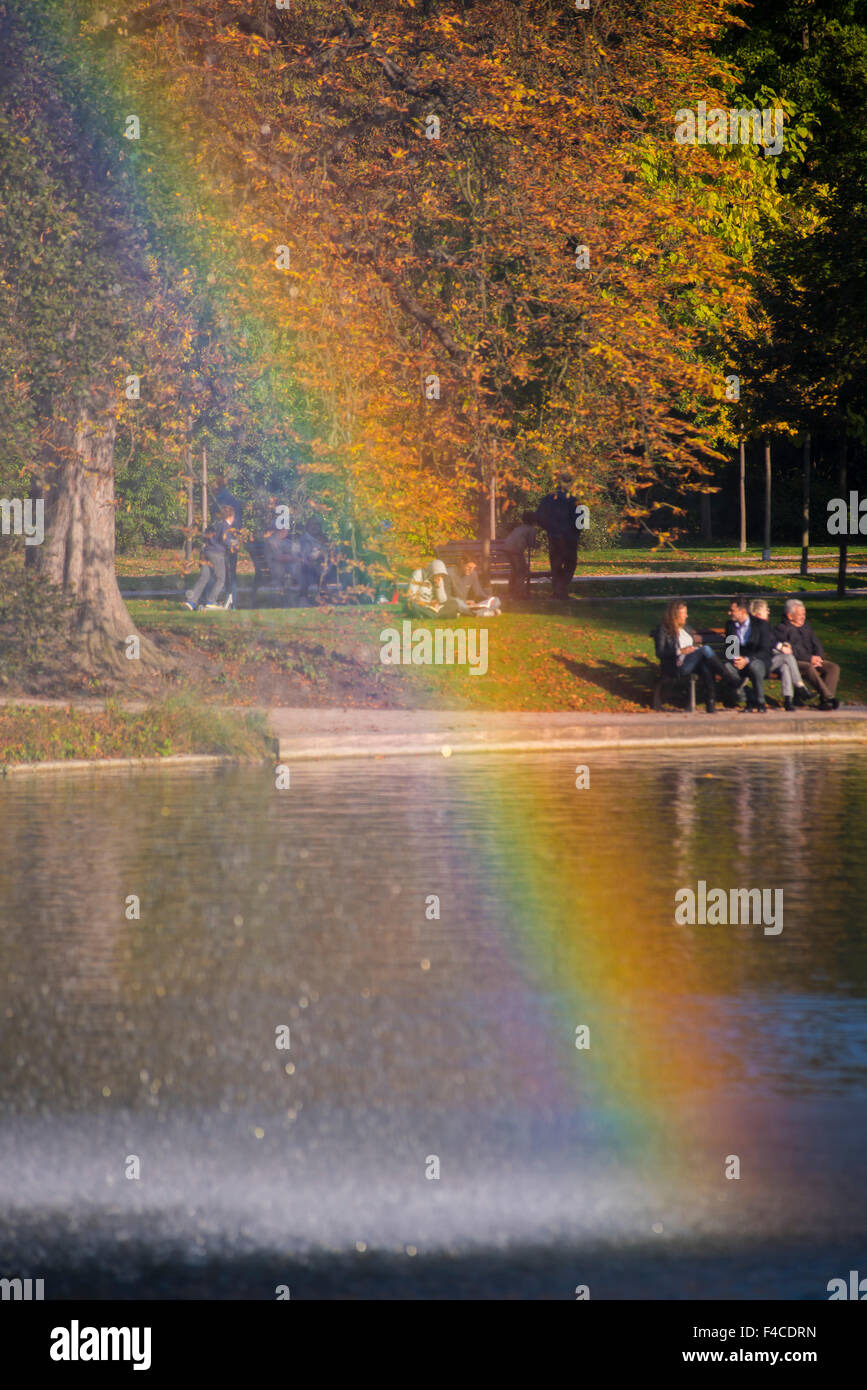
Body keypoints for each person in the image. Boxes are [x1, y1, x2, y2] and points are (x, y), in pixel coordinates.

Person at [653, 599, 728, 713]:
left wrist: (693, 650)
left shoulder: (686, 629)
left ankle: (710, 704)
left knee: (706, 667)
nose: (687, 616)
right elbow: (660, 652)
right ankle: (726, 675)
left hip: (691, 663)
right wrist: (680, 651)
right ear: (675, 614)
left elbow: (692, 647)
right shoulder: (663, 629)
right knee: (706, 649)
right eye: (684, 613)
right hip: (676, 665)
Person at [774, 598, 841, 709]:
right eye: (800, 614)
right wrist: (810, 659)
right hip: (795, 662)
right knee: (808, 667)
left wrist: (819, 657)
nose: (803, 617)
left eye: (804, 614)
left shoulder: (806, 626)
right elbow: (791, 651)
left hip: (812, 660)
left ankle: (825, 702)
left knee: (833, 668)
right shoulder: (781, 629)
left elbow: (816, 643)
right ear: (790, 616)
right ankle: (829, 697)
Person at [749, 599, 810, 711]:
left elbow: (774, 640)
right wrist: (779, 647)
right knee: (787, 658)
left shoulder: (766, 625)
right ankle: (800, 687)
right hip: (757, 663)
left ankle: (788, 700)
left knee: (785, 665)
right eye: (766, 610)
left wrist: (784, 645)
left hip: (768, 660)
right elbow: (766, 643)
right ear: (758, 614)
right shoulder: (753, 627)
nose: (768, 612)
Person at [724, 596, 774, 711]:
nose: (729, 613)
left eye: (732, 610)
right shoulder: (730, 625)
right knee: (727, 667)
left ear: (742, 611)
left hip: (758, 660)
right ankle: (749, 698)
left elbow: (765, 650)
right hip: (740, 663)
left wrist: (747, 659)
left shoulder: (760, 625)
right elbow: (730, 650)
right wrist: (735, 659)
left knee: (754, 666)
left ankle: (760, 702)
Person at [183, 505, 236, 610]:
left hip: (205, 552)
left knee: (204, 577)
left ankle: (191, 602)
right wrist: (235, 544)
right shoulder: (226, 527)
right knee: (221, 579)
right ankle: (211, 601)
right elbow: (226, 540)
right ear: (231, 516)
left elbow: (205, 536)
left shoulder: (215, 525)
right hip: (216, 554)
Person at [536, 474, 578, 599]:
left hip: (554, 536)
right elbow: (583, 520)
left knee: (556, 564)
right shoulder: (576, 499)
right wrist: (576, 532)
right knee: (570, 564)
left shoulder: (548, 499)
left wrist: (550, 529)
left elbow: (540, 517)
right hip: (570, 537)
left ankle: (558, 590)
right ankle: (561, 589)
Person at [213, 476, 243, 608]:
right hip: (232, 539)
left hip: (222, 543)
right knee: (231, 573)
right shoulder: (234, 500)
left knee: (222, 574)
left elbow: (217, 522)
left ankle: (226, 599)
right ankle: (232, 600)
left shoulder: (219, 500)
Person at [502, 512, 537, 598]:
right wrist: (537, 545)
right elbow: (531, 544)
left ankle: (511, 591)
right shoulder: (531, 529)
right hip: (516, 550)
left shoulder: (519, 528)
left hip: (507, 548)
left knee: (514, 570)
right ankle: (519, 593)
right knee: (521, 571)